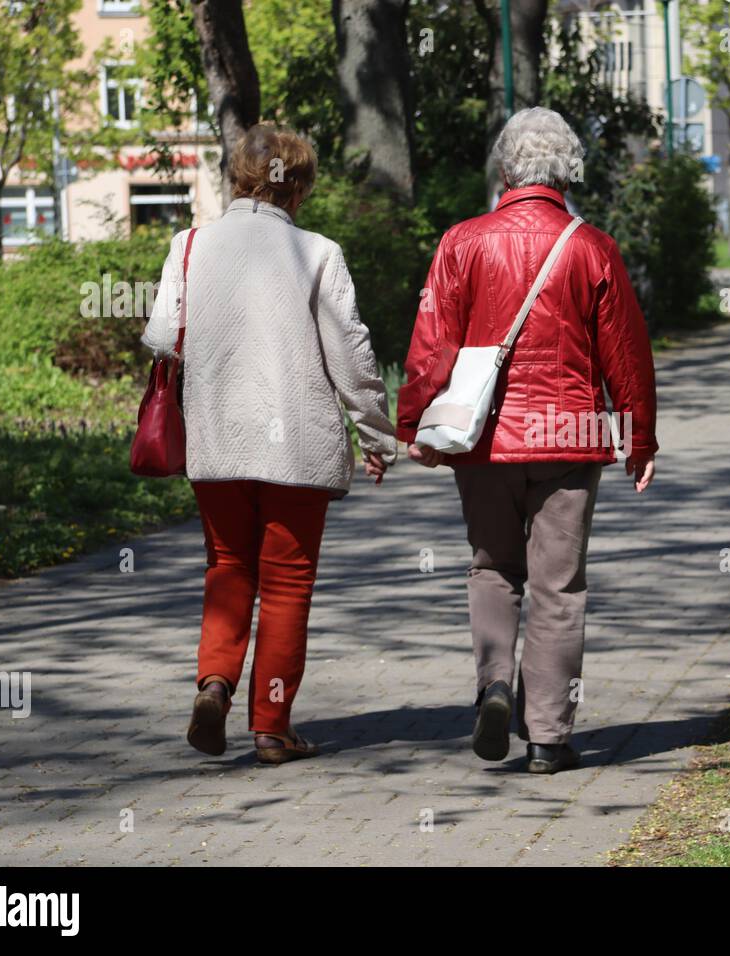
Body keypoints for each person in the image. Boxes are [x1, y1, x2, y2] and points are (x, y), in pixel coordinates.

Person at [396, 107, 658, 775]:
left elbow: (432, 345)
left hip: (484, 440)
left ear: (505, 168)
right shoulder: (592, 247)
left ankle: (494, 687)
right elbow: (625, 353)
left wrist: (412, 423)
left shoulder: (462, 241)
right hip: (568, 438)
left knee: (492, 568)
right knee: (559, 588)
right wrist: (638, 438)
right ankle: (547, 737)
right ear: (567, 168)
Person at [141, 124, 397, 765]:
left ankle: (215, 683)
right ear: (300, 186)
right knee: (286, 586)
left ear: (238, 176)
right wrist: (376, 435)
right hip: (297, 450)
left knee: (228, 568)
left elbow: (163, 336)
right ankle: (272, 726)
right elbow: (351, 354)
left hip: (218, 441)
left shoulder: (190, 245)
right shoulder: (317, 253)